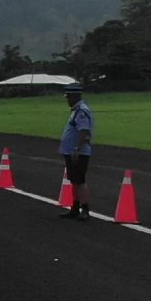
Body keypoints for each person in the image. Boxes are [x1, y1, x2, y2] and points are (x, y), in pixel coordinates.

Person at [58, 85, 95, 220]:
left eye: (68, 96)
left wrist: (77, 149)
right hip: (72, 151)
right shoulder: (76, 110)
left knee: (80, 180)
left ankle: (84, 209)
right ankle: (75, 207)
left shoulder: (81, 111)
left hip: (78, 152)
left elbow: (83, 131)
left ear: (75, 96)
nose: (67, 99)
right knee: (74, 180)